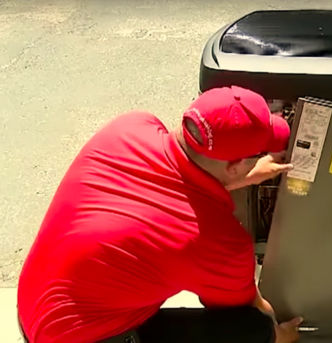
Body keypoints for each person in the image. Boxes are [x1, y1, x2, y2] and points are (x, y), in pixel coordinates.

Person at [17, 86, 303, 343]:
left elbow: (176, 179)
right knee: (253, 330)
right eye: (256, 153)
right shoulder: (214, 242)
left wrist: (245, 176)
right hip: (81, 338)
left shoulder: (130, 126)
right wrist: (280, 336)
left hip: (35, 302)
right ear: (233, 166)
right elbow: (249, 309)